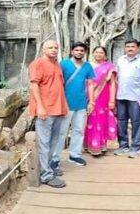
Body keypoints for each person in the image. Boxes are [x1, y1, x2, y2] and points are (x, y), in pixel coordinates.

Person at [28, 40, 69, 188]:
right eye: (50, 47)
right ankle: (45, 175)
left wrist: (64, 107)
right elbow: (34, 85)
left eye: (56, 48)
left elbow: (59, 87)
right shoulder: (37, 64)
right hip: (45, 109)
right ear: (43, 49)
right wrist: (40, 106)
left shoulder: (57, 64)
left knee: (54, 141)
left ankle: (49, 167)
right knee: (44, 142)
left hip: (58, 108)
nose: (53, 50)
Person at [56, 42, 96, 168]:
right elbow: (58, 84)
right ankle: (55, 158)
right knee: (61, 132)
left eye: (82, 50)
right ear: (72, 51)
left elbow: (90, 84)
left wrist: (91, 101)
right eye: (77, 50)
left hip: (81, 104)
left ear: (85, 52)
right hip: (66, 104)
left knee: (78, 131)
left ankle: (75, 155)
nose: (79, 52)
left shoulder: (87, 66)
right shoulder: (63, 64)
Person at [114, 39, 140, 158]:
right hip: (121, 96)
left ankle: (136, 147)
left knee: (136, 122)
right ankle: (123, 145)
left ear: (138, 48)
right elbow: (116, 77)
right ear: (125, 48)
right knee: (121, 122)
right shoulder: (121, 60)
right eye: (128, 46)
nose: (130, 48)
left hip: (137, 97)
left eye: (132, 46)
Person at [85, 46, 118, 156]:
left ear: (105, 55)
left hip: (103, 97)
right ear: (93, 54)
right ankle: (88, 144)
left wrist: (112, 100)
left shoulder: (109, 67)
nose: (99, 54)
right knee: (88, 121)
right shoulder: (87, 66)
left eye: (101, 53)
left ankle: (100, 145)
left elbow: (113, 83)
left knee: (100, 120)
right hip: (88, 97)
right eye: (96, 52)